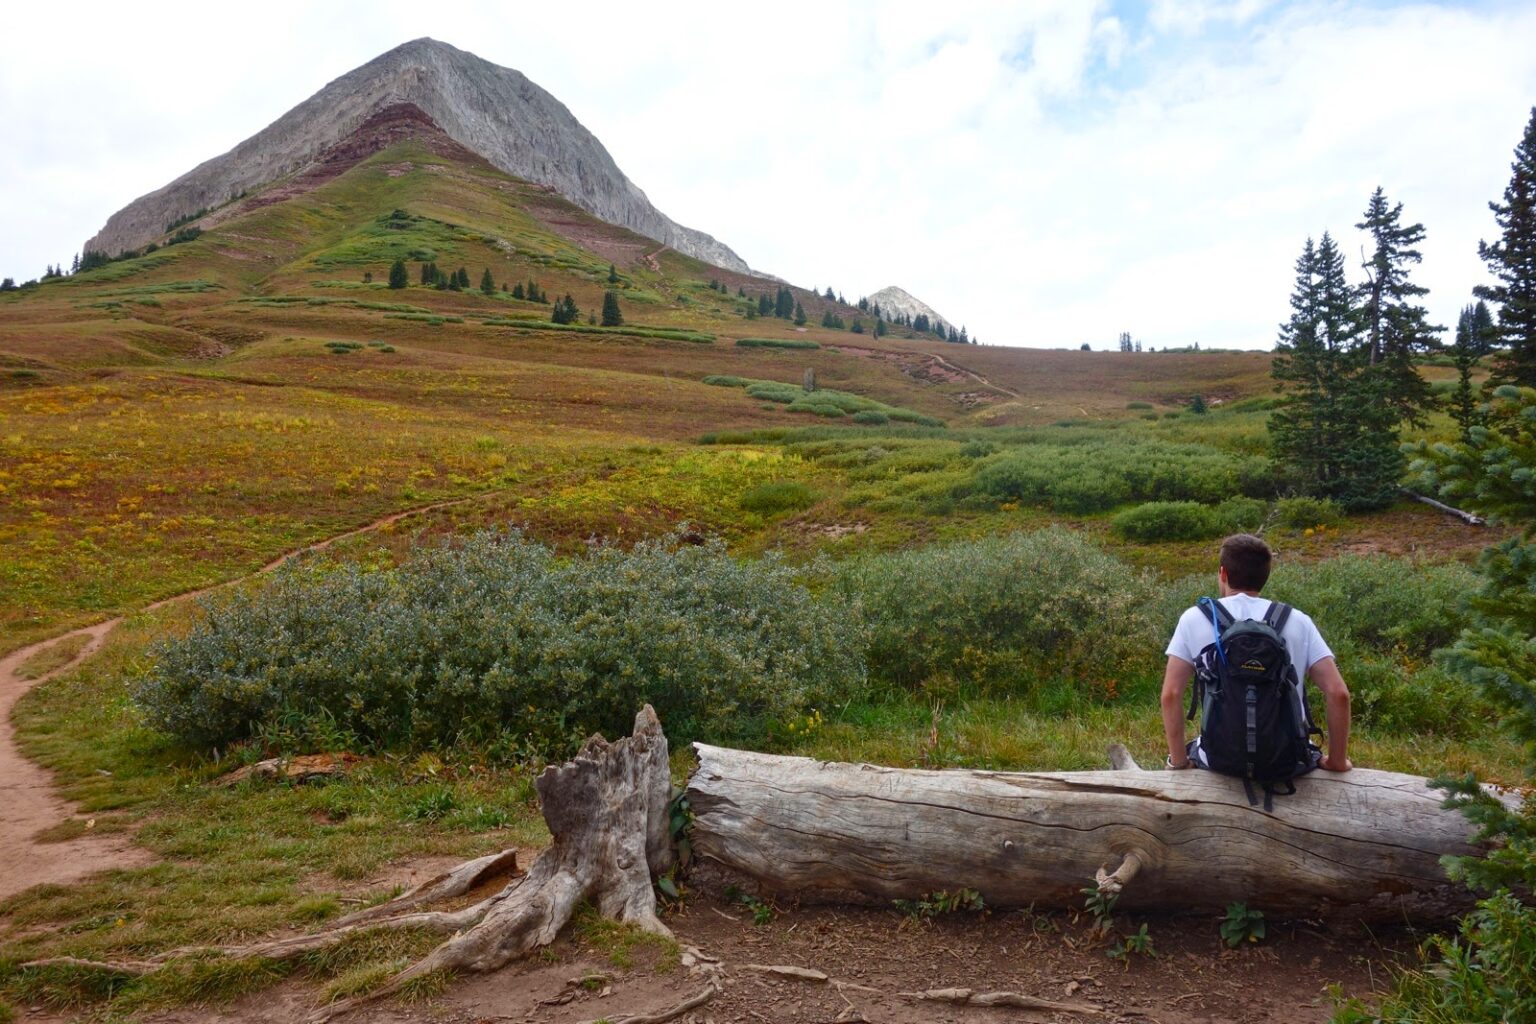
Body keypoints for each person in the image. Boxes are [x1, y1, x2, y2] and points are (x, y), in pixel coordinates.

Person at [1160, 533, 1352, 773]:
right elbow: (1339, 694)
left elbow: (1170, 694)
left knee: (1195, 748)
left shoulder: (1193, 618)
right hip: (1288, 761)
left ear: (1223, 573)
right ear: (1265, 577)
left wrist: (1178, 762)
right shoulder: (1298, 621)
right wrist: (1337, 761)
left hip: (1219, 761)